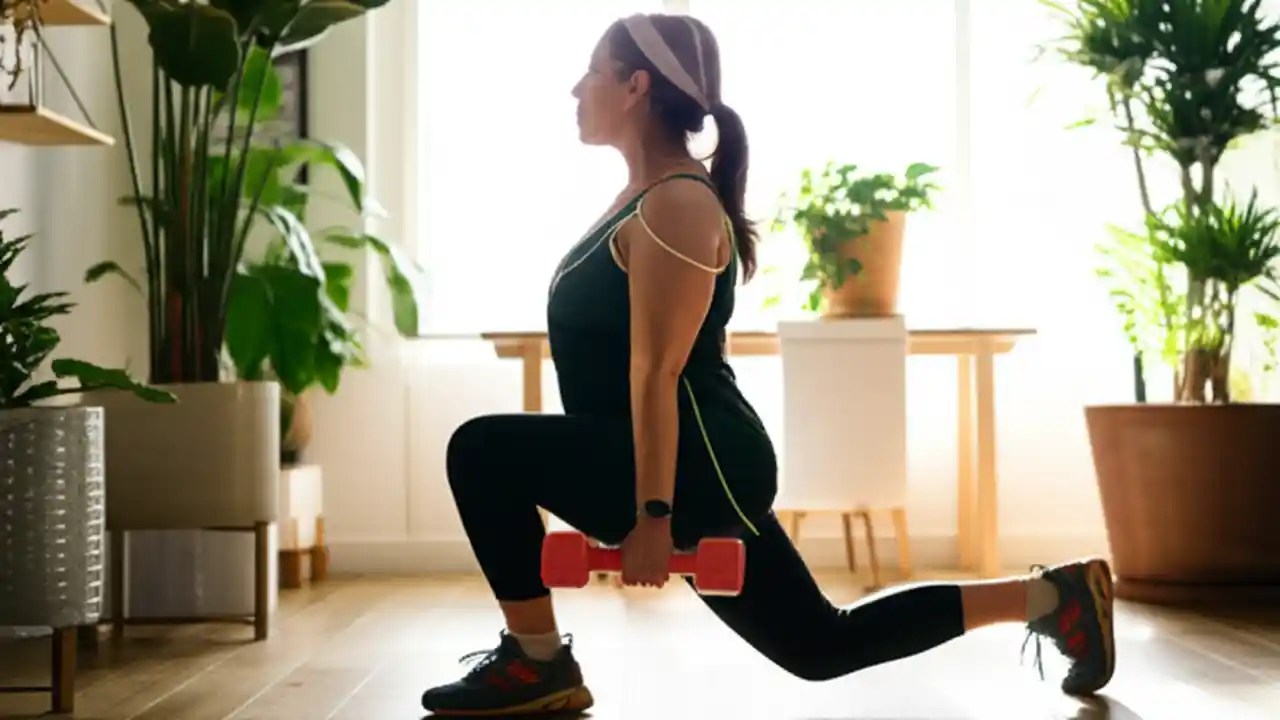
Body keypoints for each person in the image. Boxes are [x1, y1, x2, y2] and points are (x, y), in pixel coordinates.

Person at [420, 12, 1116, 717]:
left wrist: (653, 515)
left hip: (694, 464)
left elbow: (658, 372)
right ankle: (1058, 598)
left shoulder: (678, 203)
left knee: (482, 450)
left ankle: (538, 662)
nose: (576, 88)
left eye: (592, 72)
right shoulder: (644, 197)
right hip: (654, 453)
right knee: (820, 647)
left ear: (635, 86)